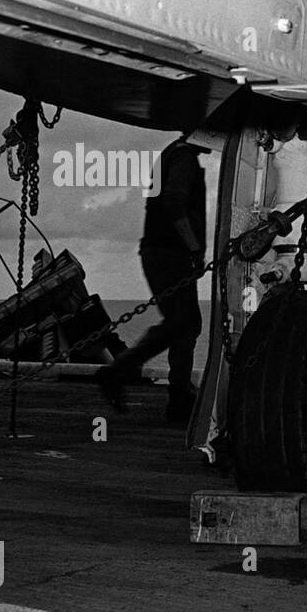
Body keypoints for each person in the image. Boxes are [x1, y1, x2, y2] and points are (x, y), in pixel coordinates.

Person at [97, 134, 208, 424]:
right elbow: (174, 200)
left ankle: (179, 397)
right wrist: (194, 246)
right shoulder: (184, 158)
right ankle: (119, 372)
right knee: (181, 322)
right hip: (170, 254)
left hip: (163, 253)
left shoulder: (172, 154)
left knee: (186, 323)